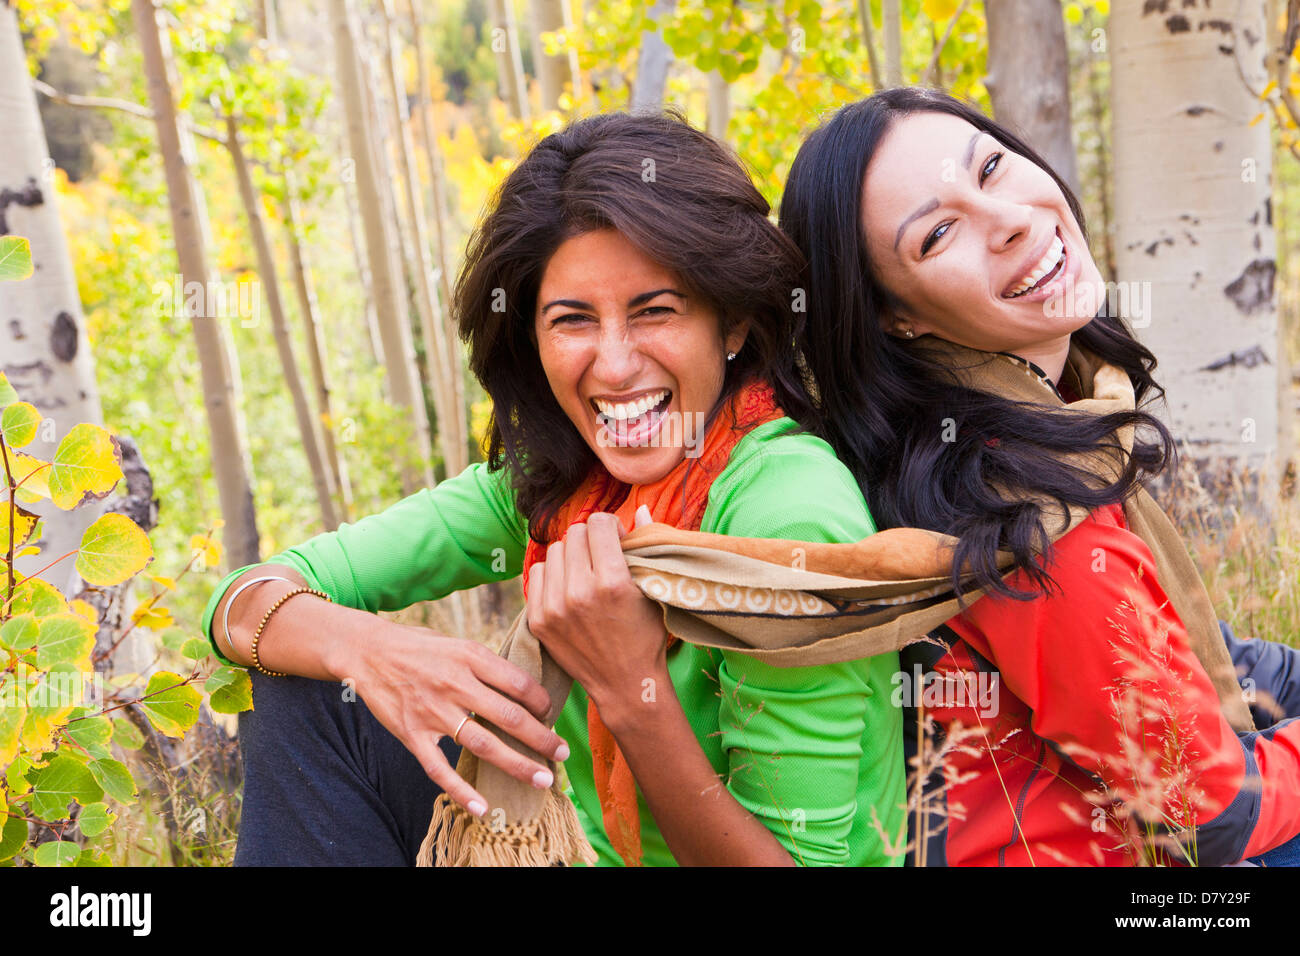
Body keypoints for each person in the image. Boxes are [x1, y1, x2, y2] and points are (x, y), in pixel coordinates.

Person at [201, 110, 906, 867]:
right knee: (307, 691)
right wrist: (371, 649)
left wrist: (627, 682)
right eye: (573, 321)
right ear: (532, 343)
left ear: (731, 325)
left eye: (655, 312)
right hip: (575, 851)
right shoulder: (562, 486)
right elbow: (245, 604)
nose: (613, 365)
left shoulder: (784, 511)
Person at [778, 86, 1300, 866]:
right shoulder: (1025, 518)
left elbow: (1204, 656)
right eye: (939, 233)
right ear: (896, 317)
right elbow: (1206, 814)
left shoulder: (1045, 423)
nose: (1012, 219)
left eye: (989, 167)